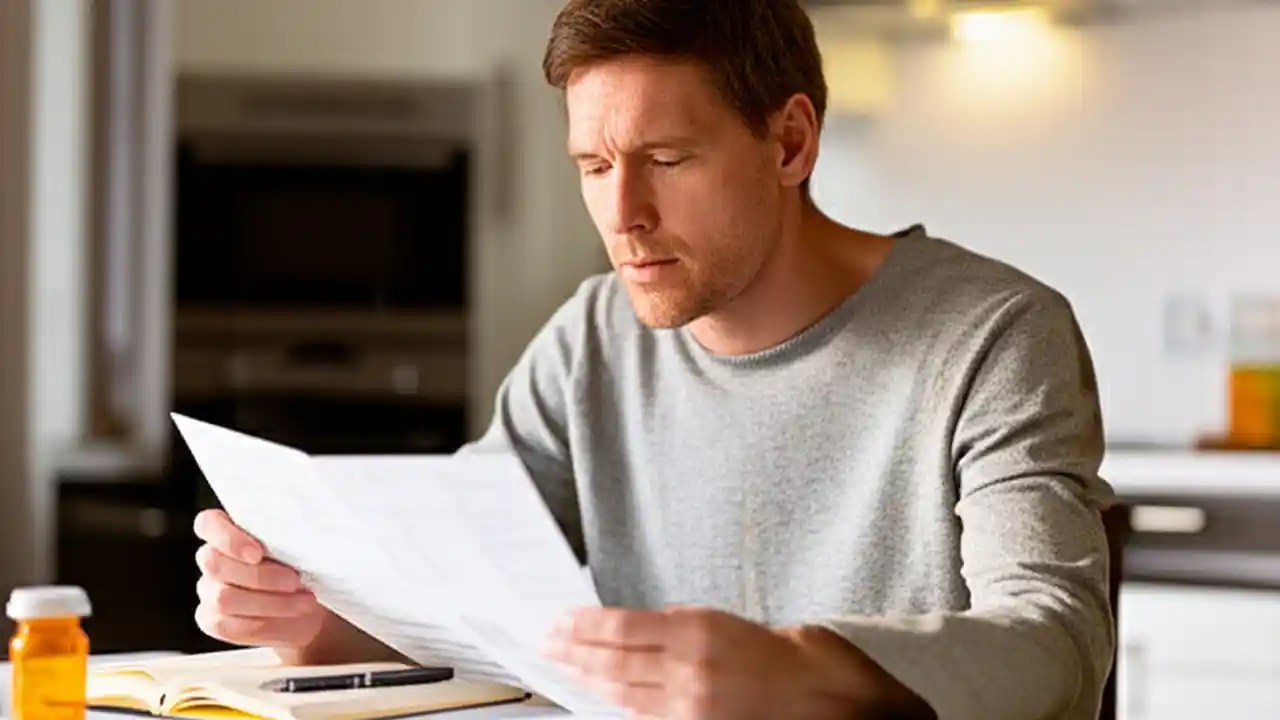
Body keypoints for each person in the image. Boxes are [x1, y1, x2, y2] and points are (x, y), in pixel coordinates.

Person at [191, 1, 1116, 718]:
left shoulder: (997, 334)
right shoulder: (591, 339)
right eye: (593, 166)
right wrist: (313, 621)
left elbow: (1054, 640)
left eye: (666, 159)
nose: (621, 215)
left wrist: (802, 674)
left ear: (790, 142)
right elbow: (460, 605)